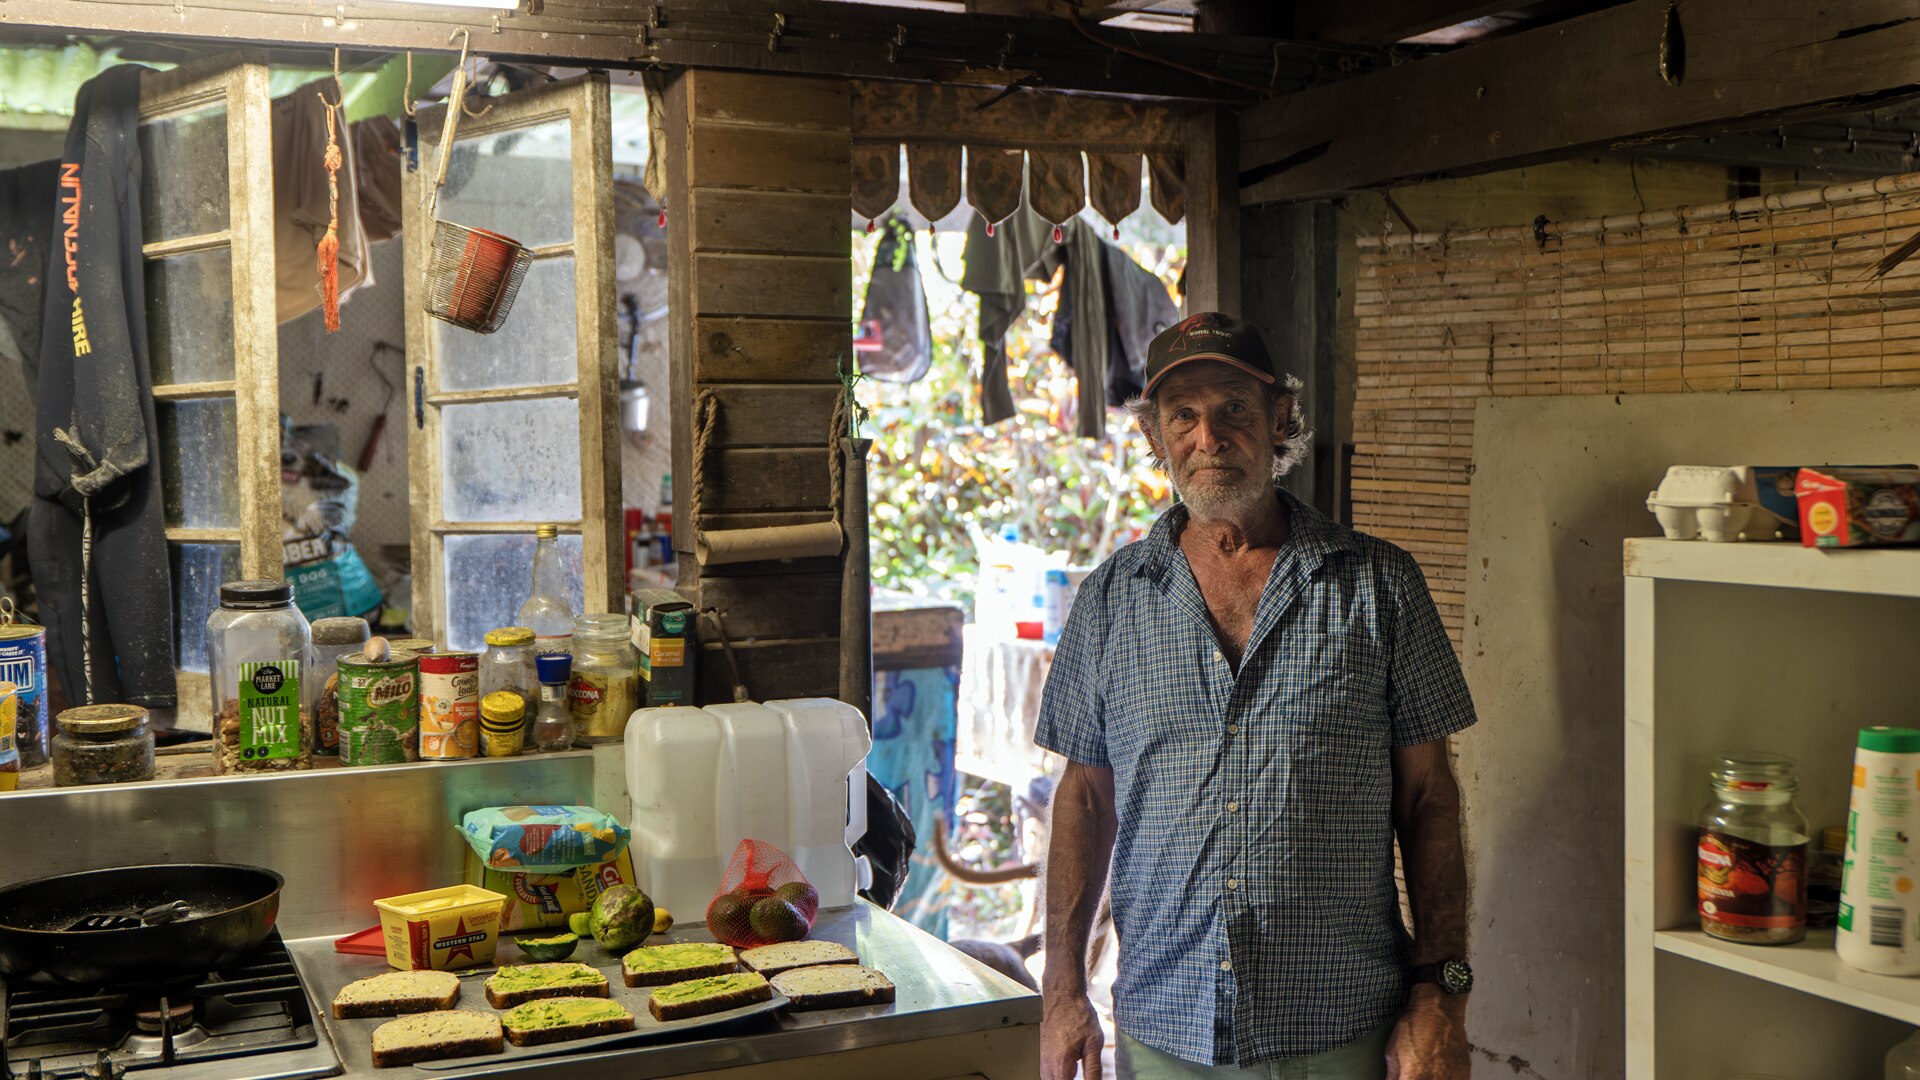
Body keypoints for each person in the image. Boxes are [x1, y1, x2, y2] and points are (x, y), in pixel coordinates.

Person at [1035, 312, 1477, 1080]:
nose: (1209, 436)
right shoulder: (1110, 600)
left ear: (1280, 421)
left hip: (1343, 1027)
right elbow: (1083, 802)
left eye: (1235, 409)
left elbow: (1429, 800)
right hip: (1165, 1027)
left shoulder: (1379, 584)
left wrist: (1441, 996)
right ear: (1154, 437)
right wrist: (1062, 991)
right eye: (1183, 416)